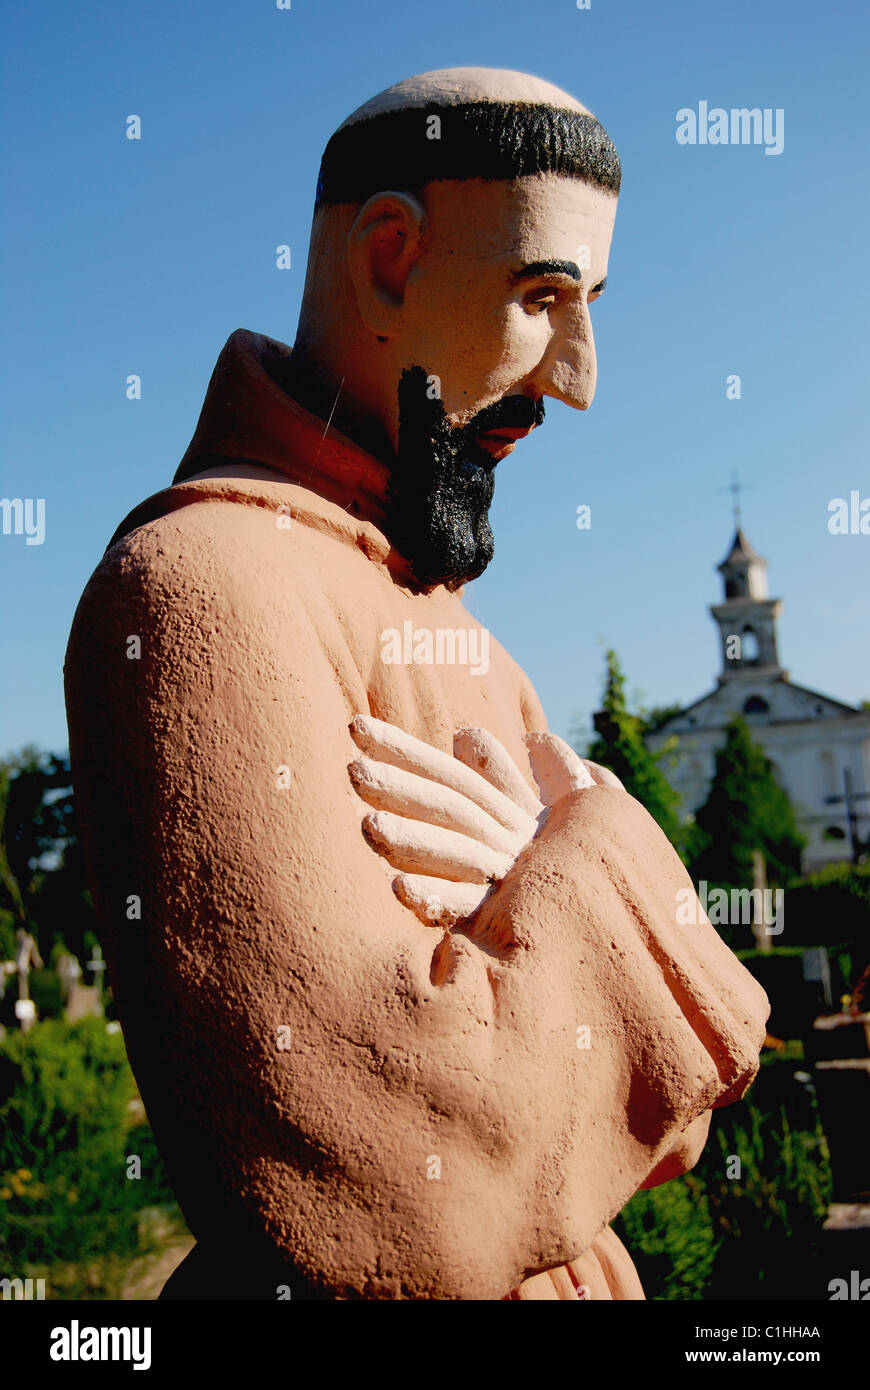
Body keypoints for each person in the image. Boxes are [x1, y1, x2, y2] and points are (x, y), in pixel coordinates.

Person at [64, 67, 769, 1300]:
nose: (580, 379)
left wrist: (543, 896)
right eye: (544, 295)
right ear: (389, 258)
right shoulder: (196, 590)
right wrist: (596, 855)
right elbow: (401, 1170)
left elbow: (677, 1125)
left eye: (592, 303)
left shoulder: (467, 639)